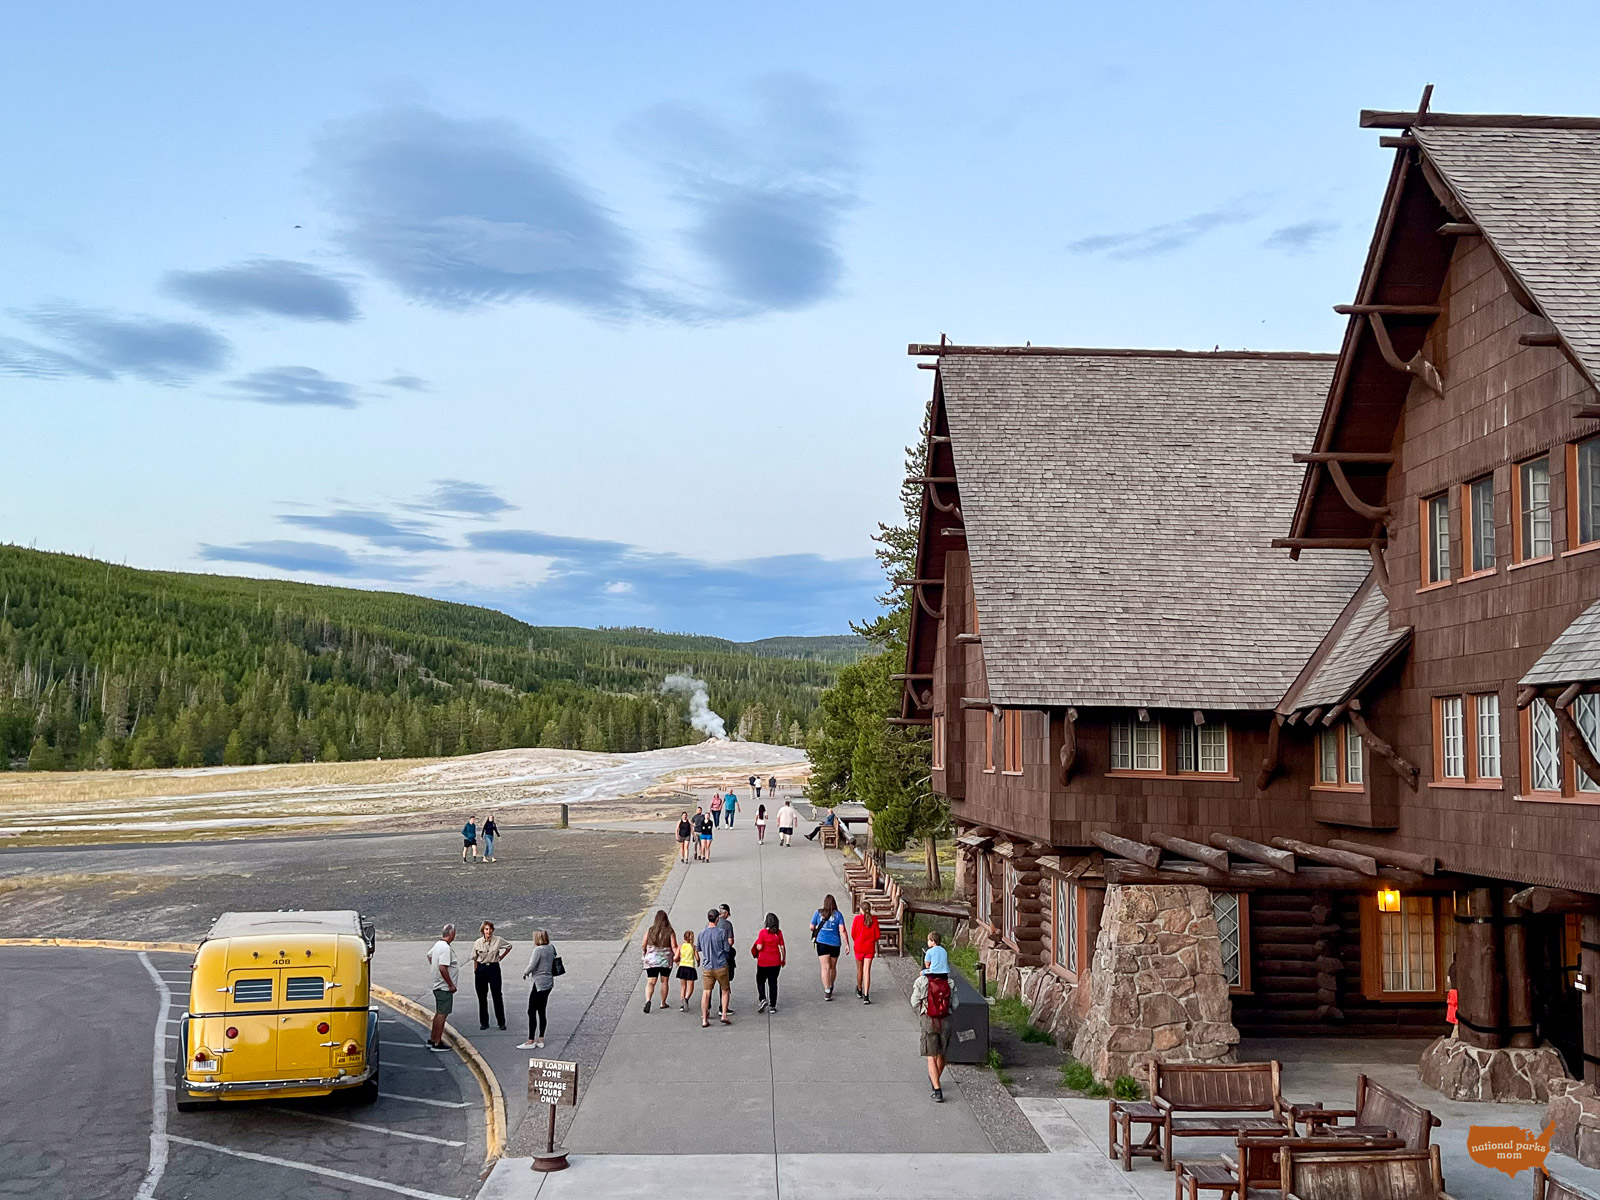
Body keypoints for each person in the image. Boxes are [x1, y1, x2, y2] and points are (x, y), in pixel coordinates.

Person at [912, 931, 960, 1103]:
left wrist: (922, 1009)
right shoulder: (950, 982)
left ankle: (937, 1089)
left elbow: (914, 1001)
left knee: (931, 1054)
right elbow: (955, 1004)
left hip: (929, 1020)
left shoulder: (923, 982)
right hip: (946, 1020)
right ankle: (936, 1078)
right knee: (942, 1053)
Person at [518, 930, 556, 1049]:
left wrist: (525, 973)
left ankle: (530, 1040)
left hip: (538, 983)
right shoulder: (551, 948)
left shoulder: (538, 950)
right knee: (542, 1010)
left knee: (531, 1011)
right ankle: (541, 1038)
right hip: (548, 982)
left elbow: (532, 965)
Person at [472, 920, 513, 1030]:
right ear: (483, 931)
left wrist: (501, 957)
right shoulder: (478, 942)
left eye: (490, 929)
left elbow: (509, 946)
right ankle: (484, 1023)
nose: (488, 931)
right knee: (482, 997)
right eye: (486, 929)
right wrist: (476, 970)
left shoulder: (498, 940)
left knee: (497, 995)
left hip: (493, 968)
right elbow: (475, 958)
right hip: (481, 968)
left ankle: (501, 1022)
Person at [696, 908, 733, 1027]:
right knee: (725, 990)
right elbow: (727, 948)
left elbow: (699, 948)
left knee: (706, 992)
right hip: (721, 965)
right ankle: (723, 1015)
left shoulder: (702, 933)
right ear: (717, 919)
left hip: (708, 966)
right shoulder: (722, 932)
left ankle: (705, 1019)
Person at [810, 894, 848, 1000]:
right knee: (832, 967)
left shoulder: (818, 913)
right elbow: (842, 930)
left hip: (822, 942)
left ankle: (827, 990)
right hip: (835, 943)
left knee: (824, 967)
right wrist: (847, 944)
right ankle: (831, 985)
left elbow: (811, 927)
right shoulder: (838, 915)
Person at [426, 924, 458, 1050]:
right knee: (442, 1014)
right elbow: (442, 967)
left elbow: (429, 955)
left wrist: (434, 968)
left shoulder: (437, 944)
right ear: (451, 934)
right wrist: (450, 984)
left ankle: (433, 1038)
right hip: (444, 987)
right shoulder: (445, 948)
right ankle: (437, 1042)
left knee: (439, 1013)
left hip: (437, 984)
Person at [641, 909, 676, 1013]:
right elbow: (674, 946)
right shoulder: (670, 931)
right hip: (665, 960)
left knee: (651, 982)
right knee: (664, 982)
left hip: (651, 960)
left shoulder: (650, 930)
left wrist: (645, 951)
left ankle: (648, 1000)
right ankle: (663, 1003)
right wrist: (677, 956)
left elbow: (644, 944)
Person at [752, 912, 786, 1013]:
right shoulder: (778, 933)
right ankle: (772, 1005)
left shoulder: (763, 932)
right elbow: (782, 947)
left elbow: (759, 947)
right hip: (775, 962)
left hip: (763, 962)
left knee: (760, 980)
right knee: (773, 983)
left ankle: (762, 998)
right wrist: (783, 959)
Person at [851, 907, 880, 1003]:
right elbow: (877, 935)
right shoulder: (874, 920)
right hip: (869, 947)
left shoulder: (857, 919)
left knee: (860, 969)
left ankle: (859, 989)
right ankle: (866, 995)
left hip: (859, 947)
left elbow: (853, 933)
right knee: (867, 970)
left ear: (861, 909)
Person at [718, 903, 737, 1013]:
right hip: (724, 957)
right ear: (725, 914)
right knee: (724, 984)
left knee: (709, 986)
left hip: (711, 958)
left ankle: (707, 1008)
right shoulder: (727, 925)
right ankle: (723, 1007)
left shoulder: (709, 924)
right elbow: (730, 942)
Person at [676, 928, 698, 1011]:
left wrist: (677, 961)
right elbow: (697, 958)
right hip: (690, 967)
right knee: (690, 986)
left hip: (682, 967)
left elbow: (676, 956)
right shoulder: (693, 947)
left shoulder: (681, 946)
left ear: (684, 937)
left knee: (683, 986)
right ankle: (686, 998)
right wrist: (698, 962)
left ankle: (682, 1003)